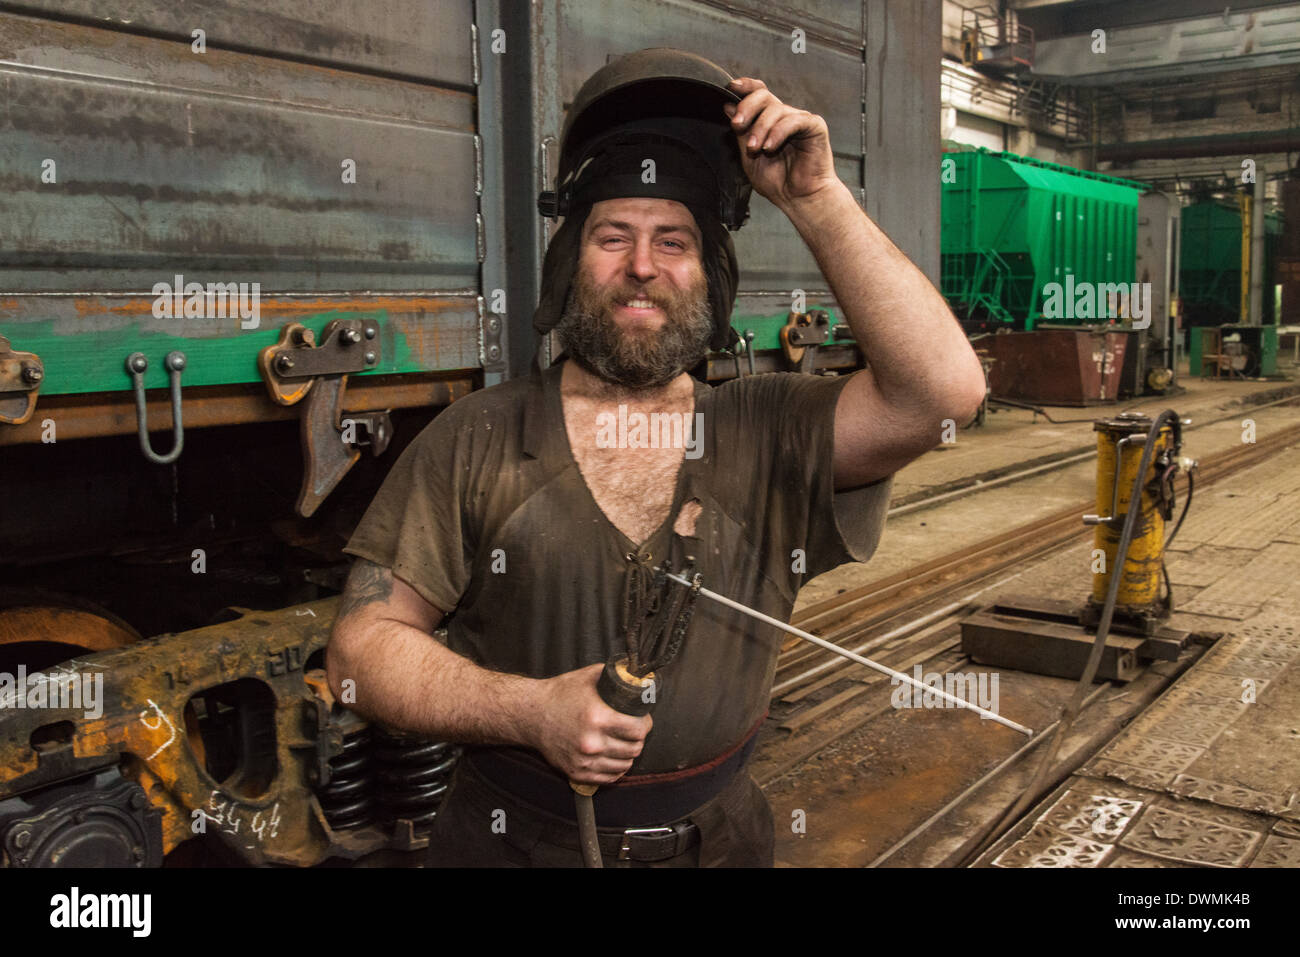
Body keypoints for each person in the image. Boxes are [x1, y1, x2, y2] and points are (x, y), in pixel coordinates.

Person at [326, 51, 986, 867]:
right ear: (571, 265)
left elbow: (943, 394)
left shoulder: (768, 431)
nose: (642, 266)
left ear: (710, 276)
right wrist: (529, 710)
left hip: (721, 846)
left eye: (673, 240)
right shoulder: (477, 437)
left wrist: (815, 199)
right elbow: (361, 652)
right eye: (613, 236)